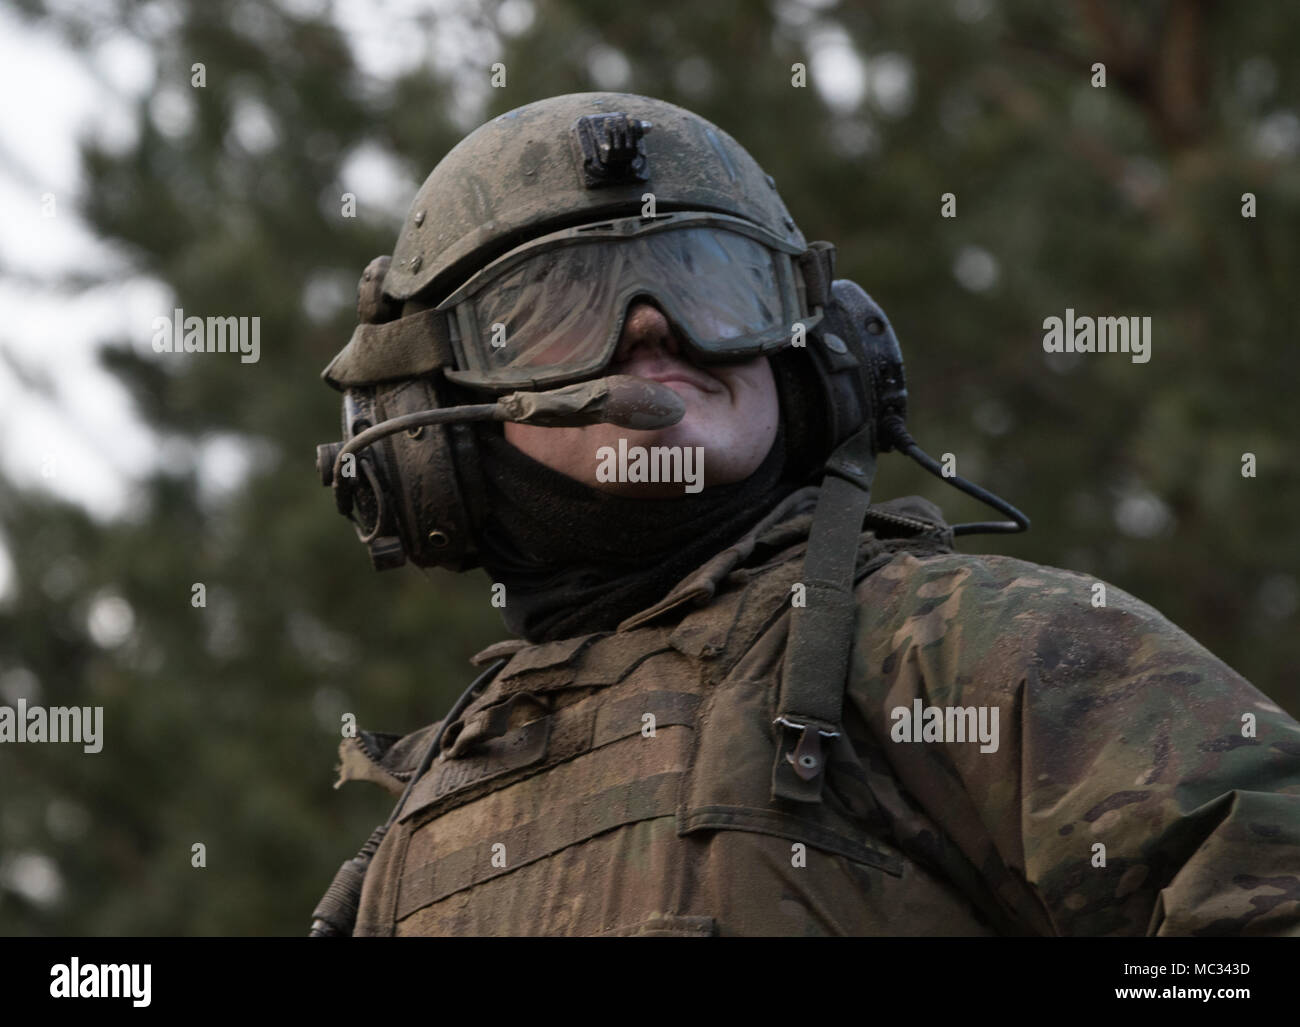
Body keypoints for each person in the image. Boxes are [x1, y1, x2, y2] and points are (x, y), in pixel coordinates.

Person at [310, 92, 1300, 937]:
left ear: (817, 357)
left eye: (713, 284)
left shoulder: (953, 647)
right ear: (425, 424)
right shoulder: (415, 827)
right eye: (561, 305)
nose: (653, 325)